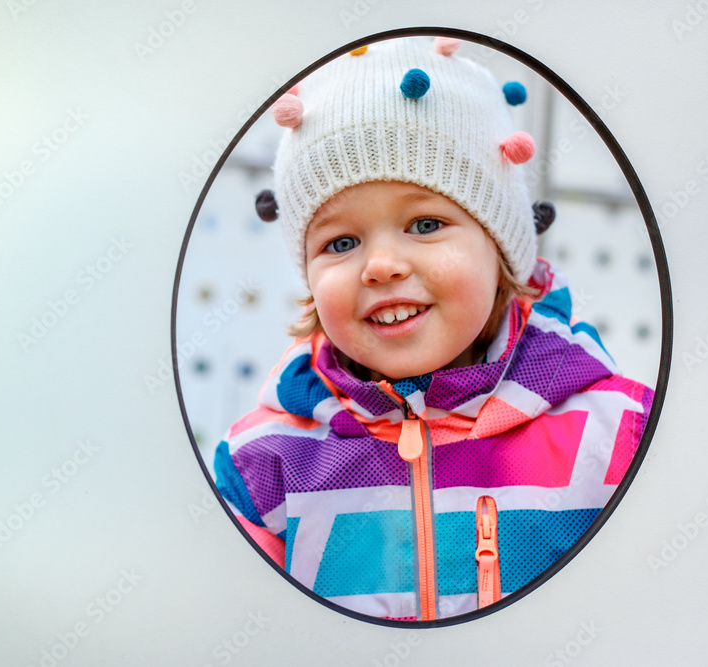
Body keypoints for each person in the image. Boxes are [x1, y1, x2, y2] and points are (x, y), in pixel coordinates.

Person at [212, 36, 654, 621]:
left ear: (503, 252)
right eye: (341, 242)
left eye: (425, 223)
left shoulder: (616, 438)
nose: (380, 265)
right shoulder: (264, 463)